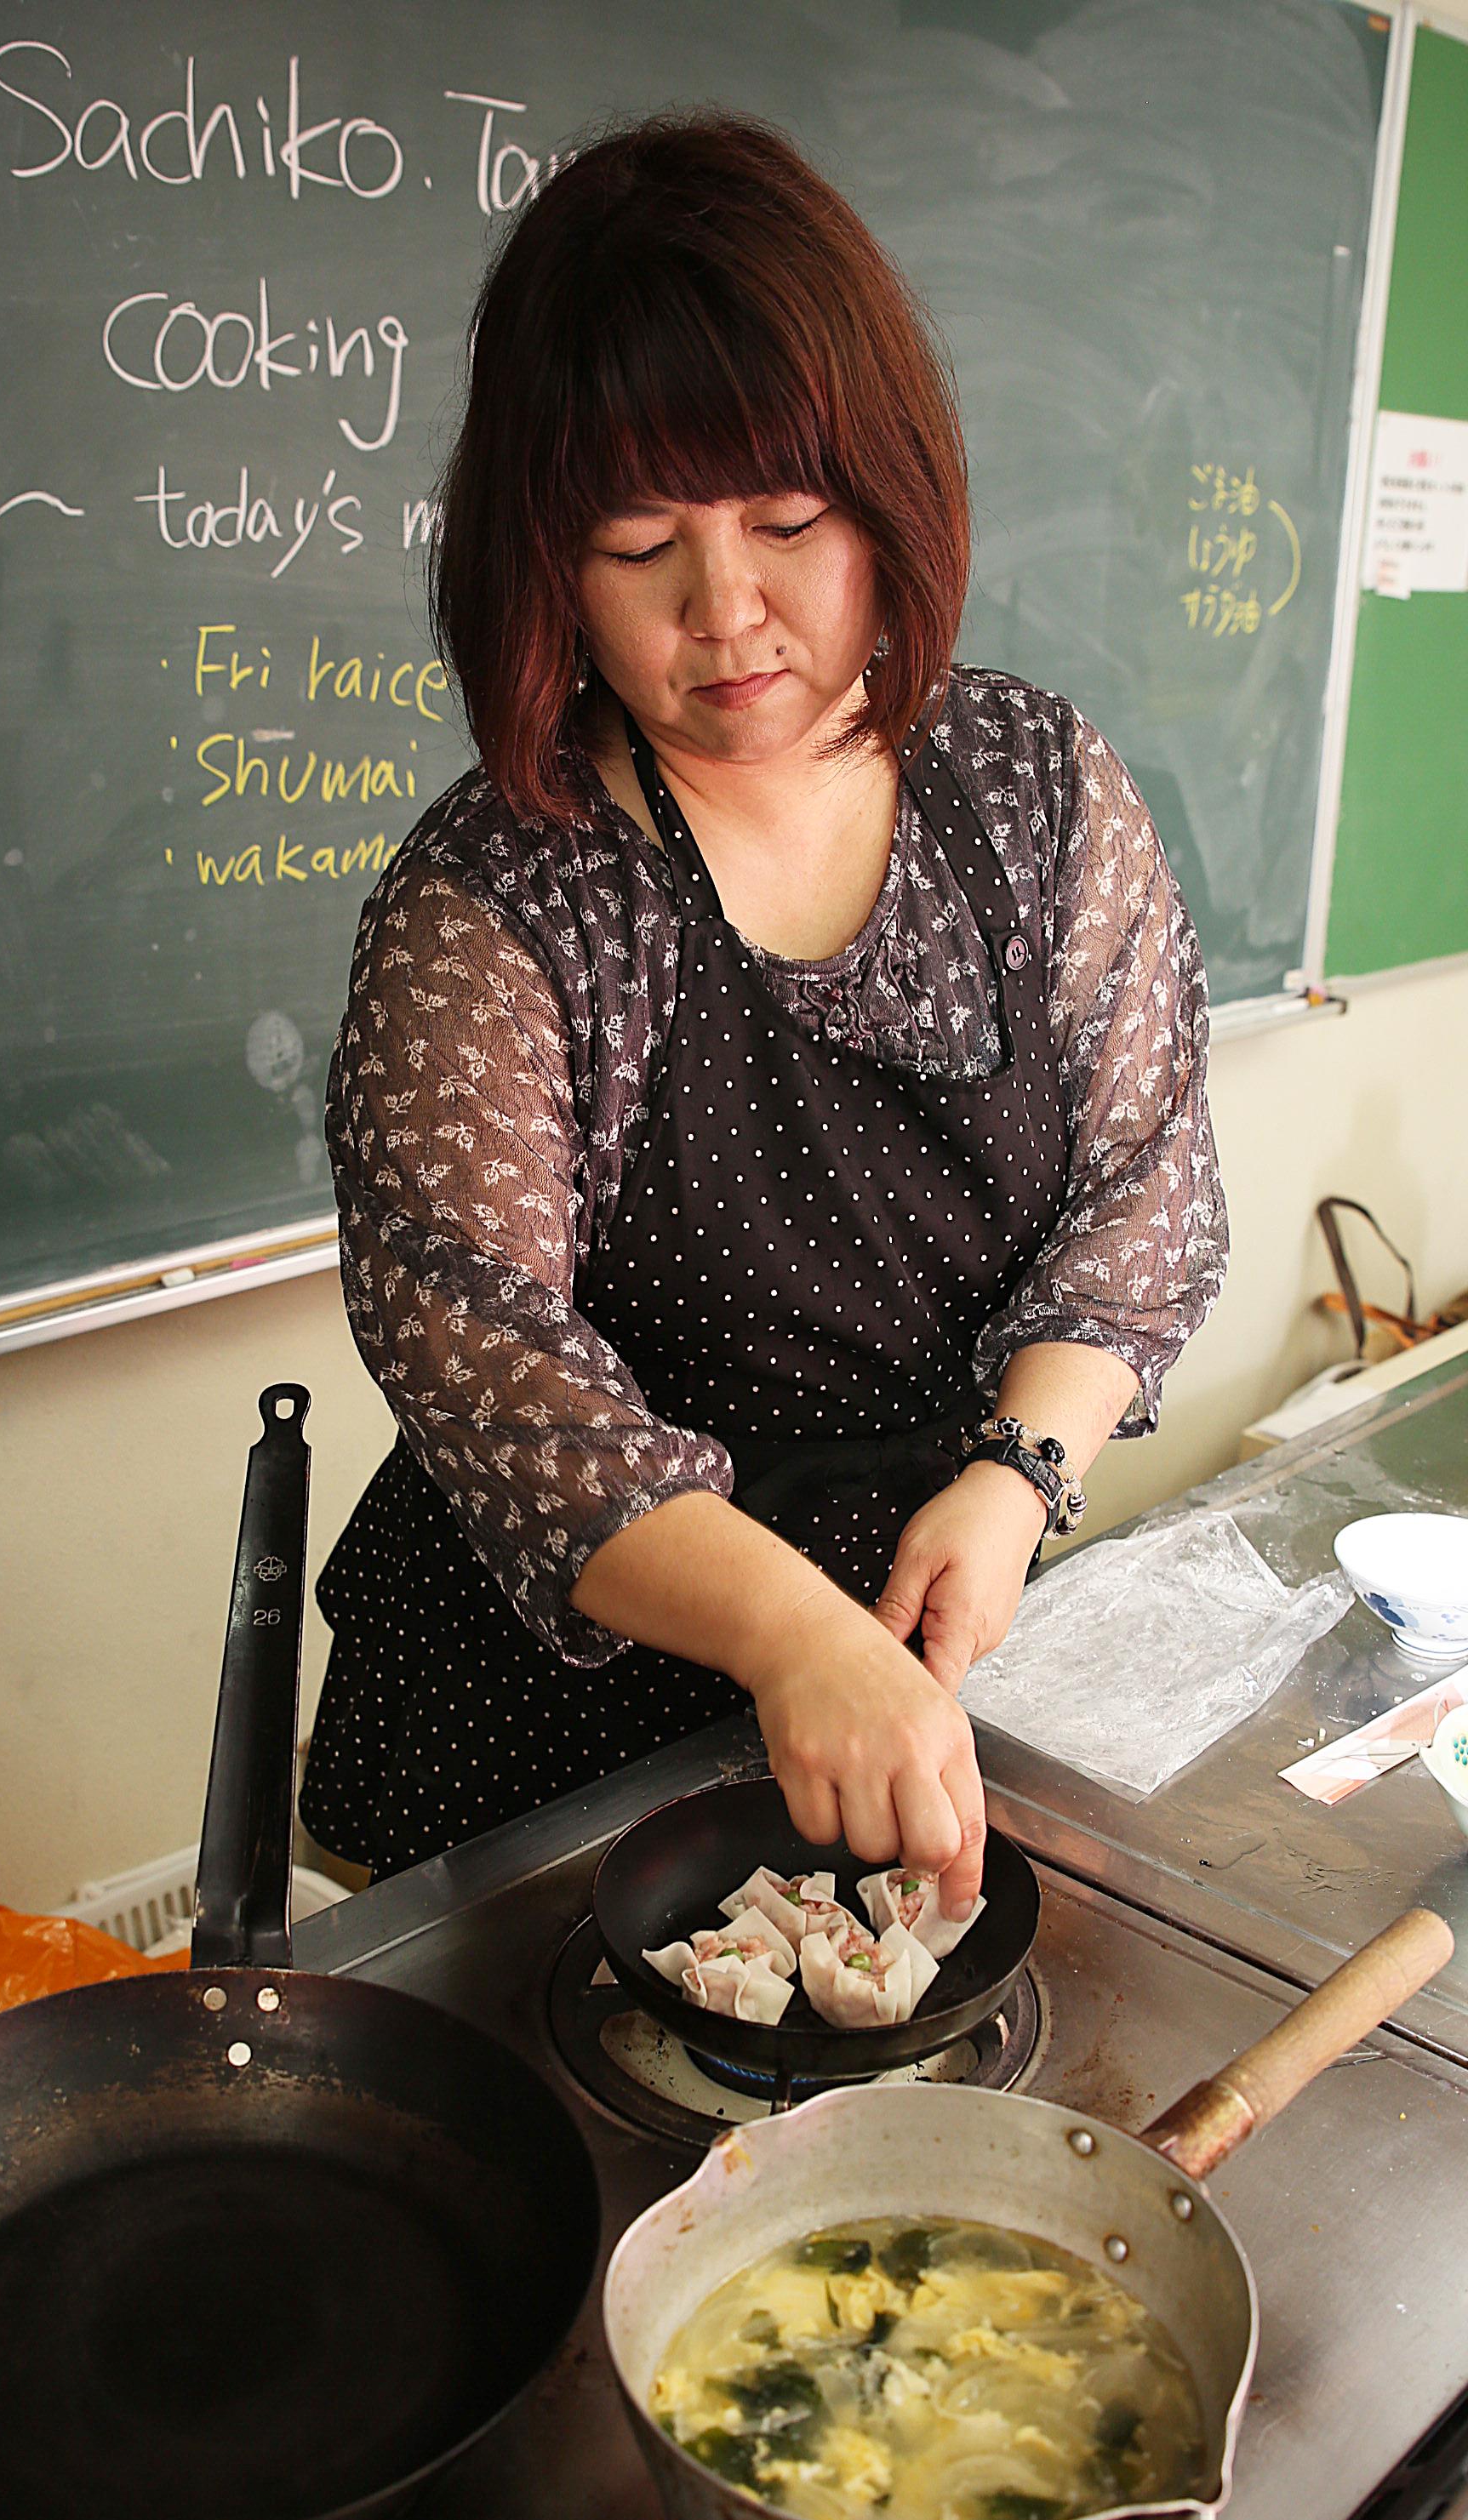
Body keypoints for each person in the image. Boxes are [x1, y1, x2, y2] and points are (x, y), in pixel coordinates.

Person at [300, 115, 1227, 1903]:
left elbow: (1147, 1197)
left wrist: (1019, 1477)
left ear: (889, 499)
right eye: (638, 543)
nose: (726, 611)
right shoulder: (500, 900)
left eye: (788, 523)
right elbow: (486, 1353)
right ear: (546, 562)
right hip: (553, 1728)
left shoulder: (1036, 791)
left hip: (928, 1644)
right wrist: (793, 1632)